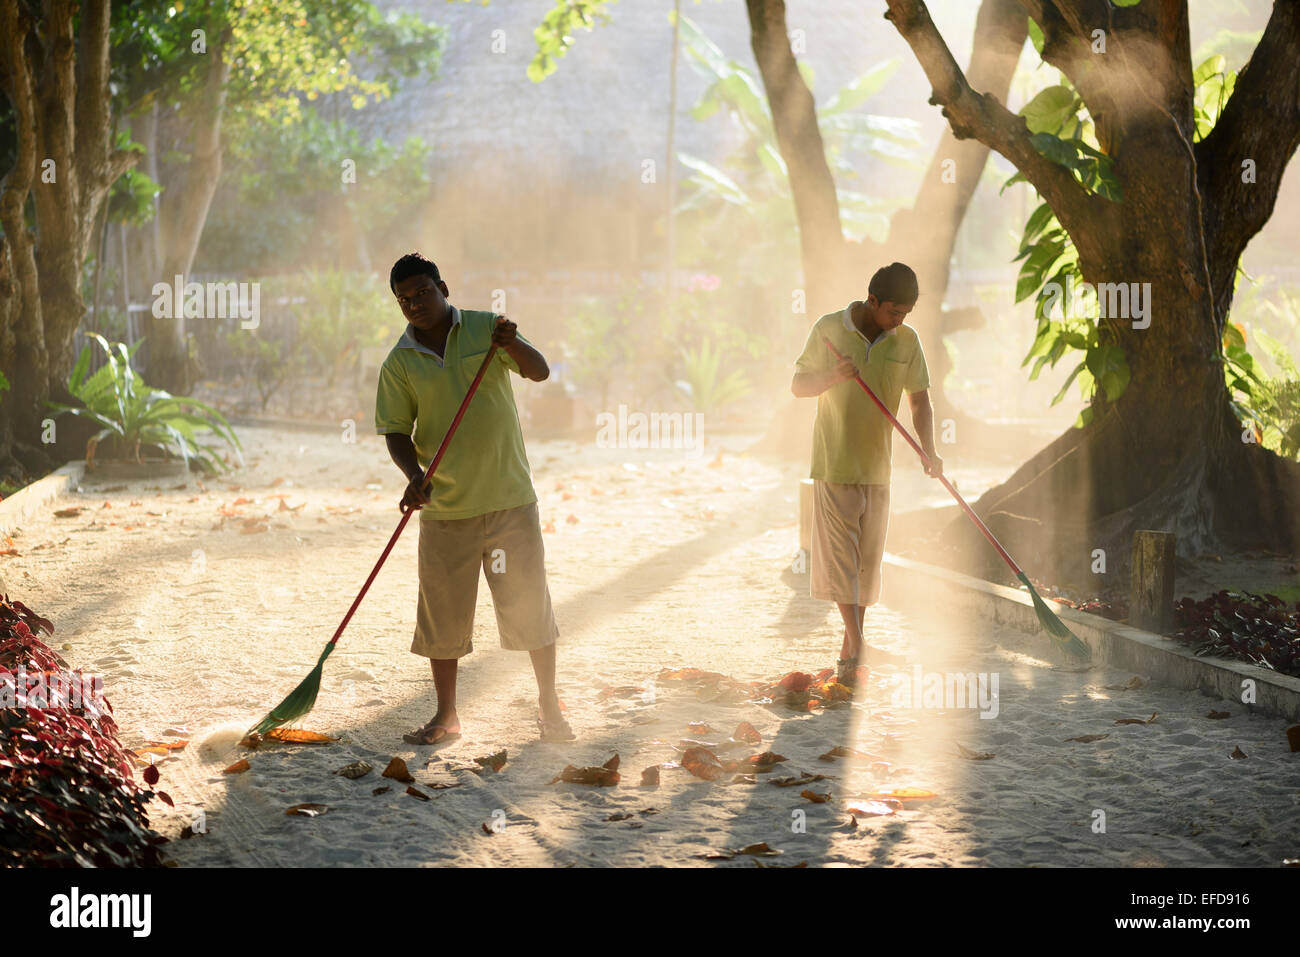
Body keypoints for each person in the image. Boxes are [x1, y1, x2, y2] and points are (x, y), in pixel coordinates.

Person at [374, 251, 573, 743]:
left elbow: (540, 371)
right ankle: (447, 716)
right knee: (442, 616)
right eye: (404, 300)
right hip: (445, 509)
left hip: (509, 500)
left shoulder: (489, 329)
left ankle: (549, 705)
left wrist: (514, 343)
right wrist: (413, 474)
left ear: (444, 287)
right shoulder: (399, 362)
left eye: (422, 292)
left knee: (530, 606)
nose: (415, 304)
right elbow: (397, 430)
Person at [790, 262, 942, 685]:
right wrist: (832, 376)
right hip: (834, 462)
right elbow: (799, 385)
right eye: (894, 312)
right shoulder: (828, 329)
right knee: (842, 562)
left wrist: (930, 451)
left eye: (906, 313)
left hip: (879, 467)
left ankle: (851, 646)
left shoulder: (907, 341)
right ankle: (859, 643)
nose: (899, 321)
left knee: (867, 567)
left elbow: (919, 401)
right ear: (871, 300)